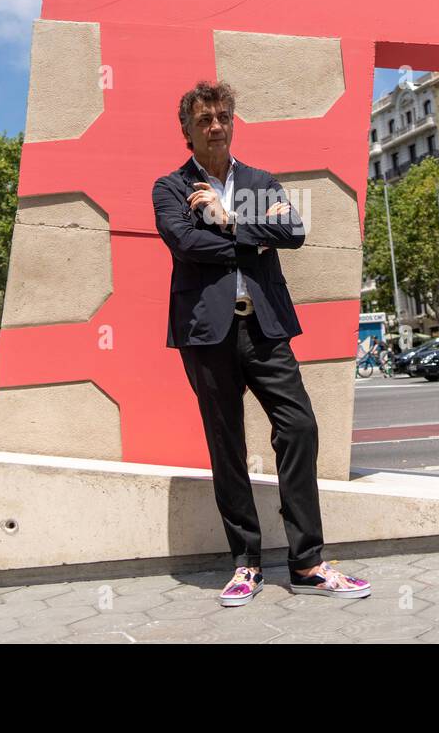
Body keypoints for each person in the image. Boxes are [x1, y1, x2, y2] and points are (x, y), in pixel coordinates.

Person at [152, 80, 371, 607]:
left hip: (265, 326)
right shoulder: (171, 187)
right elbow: (185, 243)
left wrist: (228, 220)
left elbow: (293, 231)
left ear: (233, 121)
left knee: (299, 427)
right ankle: (245, 563)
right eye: (204, 118)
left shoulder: (257, 181)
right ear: (186, 130)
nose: (215, 125)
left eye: (223, 115)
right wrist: (252, 236)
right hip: (206, 334)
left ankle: (307, 562)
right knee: (226, 445)